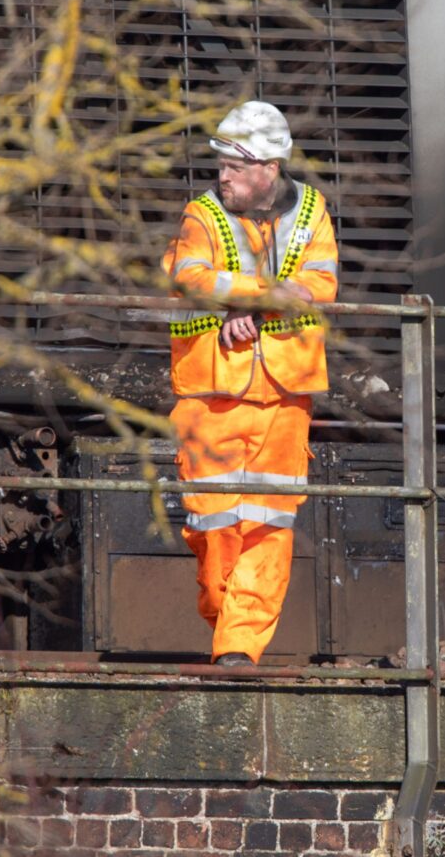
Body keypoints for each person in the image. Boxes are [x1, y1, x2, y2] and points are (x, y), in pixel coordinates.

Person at [162, 101, 339, 667]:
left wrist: (259, 310)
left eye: (234, 167)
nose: (223, 176)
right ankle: (225, 619)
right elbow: (187, 275)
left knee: (268, 524)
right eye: (220, 165)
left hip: (285, 394)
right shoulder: (202, 215)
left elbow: (320, 281)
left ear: (267, 167)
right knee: (211, 526)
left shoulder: (311, 210)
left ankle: (239, 646)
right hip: (211, 393)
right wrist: (248, 296)